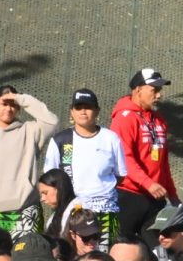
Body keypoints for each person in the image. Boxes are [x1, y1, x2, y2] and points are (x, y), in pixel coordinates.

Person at [0, 86, 58, 237]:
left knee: (28, 260)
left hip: (26, 213)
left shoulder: (30, 131)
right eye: (4, 103)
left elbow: (51, 122)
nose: (9, 108)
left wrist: (20, 98)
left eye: (13, 104)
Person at [44, 90, 126, 247]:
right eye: (78, 107)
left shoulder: (111, 138)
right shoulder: (60, 140)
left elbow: (120, 175)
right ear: (72, 111)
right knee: (69, 255)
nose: (83, 111)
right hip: (72, 212)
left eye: (87, 107)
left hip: (105, 212)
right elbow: (51, 177)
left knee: (104, 257)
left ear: (97, 111)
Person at [110, 69, 179, 239]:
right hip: (128, 195)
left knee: (157, 253)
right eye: (154, 90)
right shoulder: (124, 118)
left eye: (159, 90)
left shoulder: (159, 120)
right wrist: (148, 183)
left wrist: (173, 196)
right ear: (138, 90)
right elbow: (124, 158)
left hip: (155, 198)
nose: (159, 95)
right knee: (121, 248)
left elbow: (163, 163)